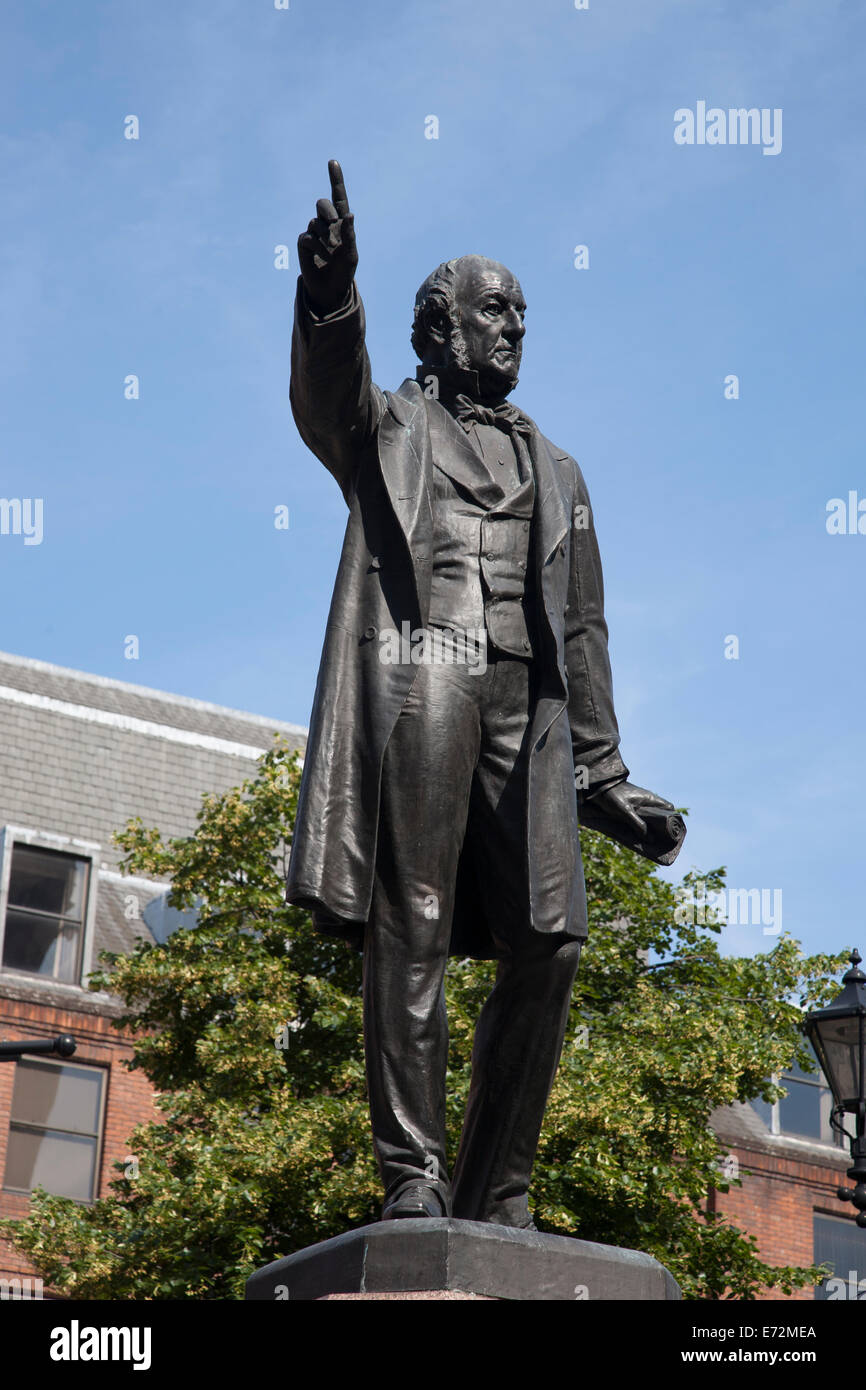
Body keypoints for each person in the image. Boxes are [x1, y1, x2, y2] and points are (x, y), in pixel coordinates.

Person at [286, 160, 679, 1228]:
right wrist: (329, 299)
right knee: (408, 914)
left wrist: (607, 774)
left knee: (549, 937)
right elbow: (326, 395)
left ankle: (495, 1186)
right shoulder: (389, 428)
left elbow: (583, 629)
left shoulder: (559, 470)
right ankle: (410, 1171)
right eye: (492, 309)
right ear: (437, 328)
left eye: (520, 313)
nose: (512, 328)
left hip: (527, 706)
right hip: (426, 667)